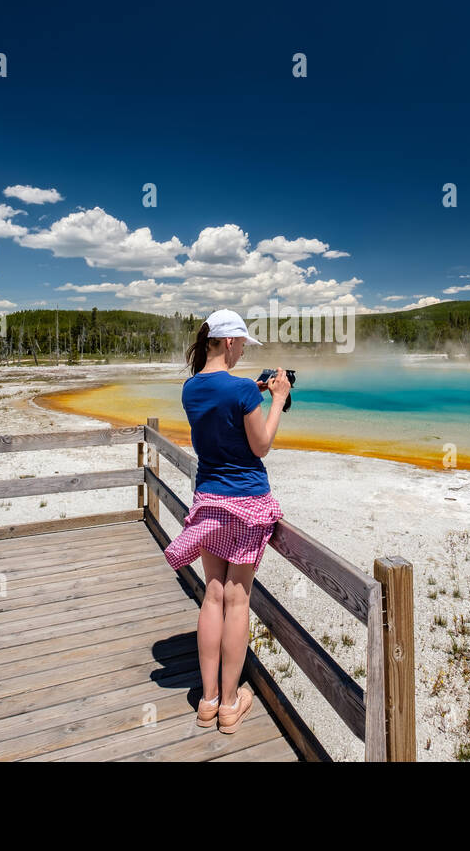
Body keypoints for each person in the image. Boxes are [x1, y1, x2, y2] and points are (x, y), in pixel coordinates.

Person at [162, 308, 291, 733]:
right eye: (241, 346)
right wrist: (274, 398)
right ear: (231, 342)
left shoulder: (191, 389)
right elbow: (261, 445)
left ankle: (208, 701)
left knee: (212, 597)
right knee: (238, 600)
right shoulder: (243, 392)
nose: (240, 354)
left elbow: (220, 416)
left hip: (209, 501)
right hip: (248, 504)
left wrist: (248, 394)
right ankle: (232, 705)